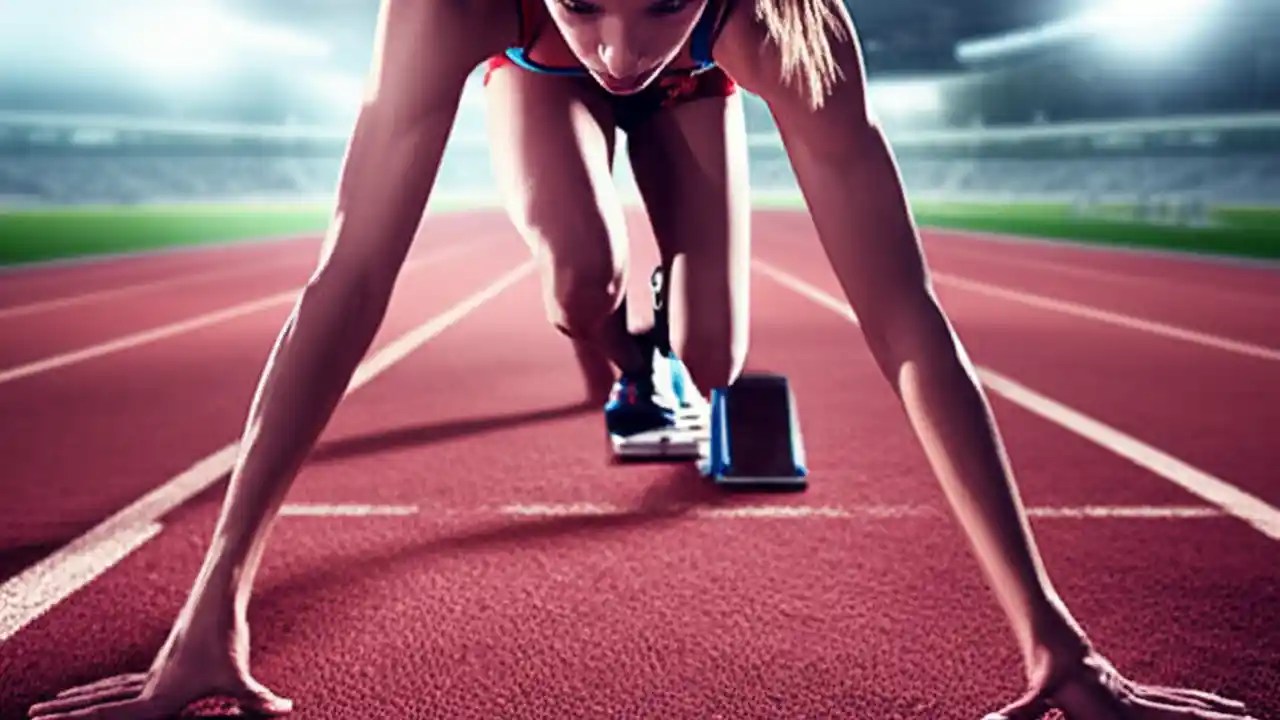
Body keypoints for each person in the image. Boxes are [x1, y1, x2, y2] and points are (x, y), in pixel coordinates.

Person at [30, 0, 1254, 718]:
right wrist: (213, 601)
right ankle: (618, 361)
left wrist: (1052, 636)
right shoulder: (463, 7)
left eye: (659, 2)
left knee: (718, 360)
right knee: (572, 271)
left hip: (703, 98)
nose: (619, 45)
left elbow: (904, 320)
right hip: (526, 81)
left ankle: (669, 354)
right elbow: (347, 285)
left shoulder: (783, 21)